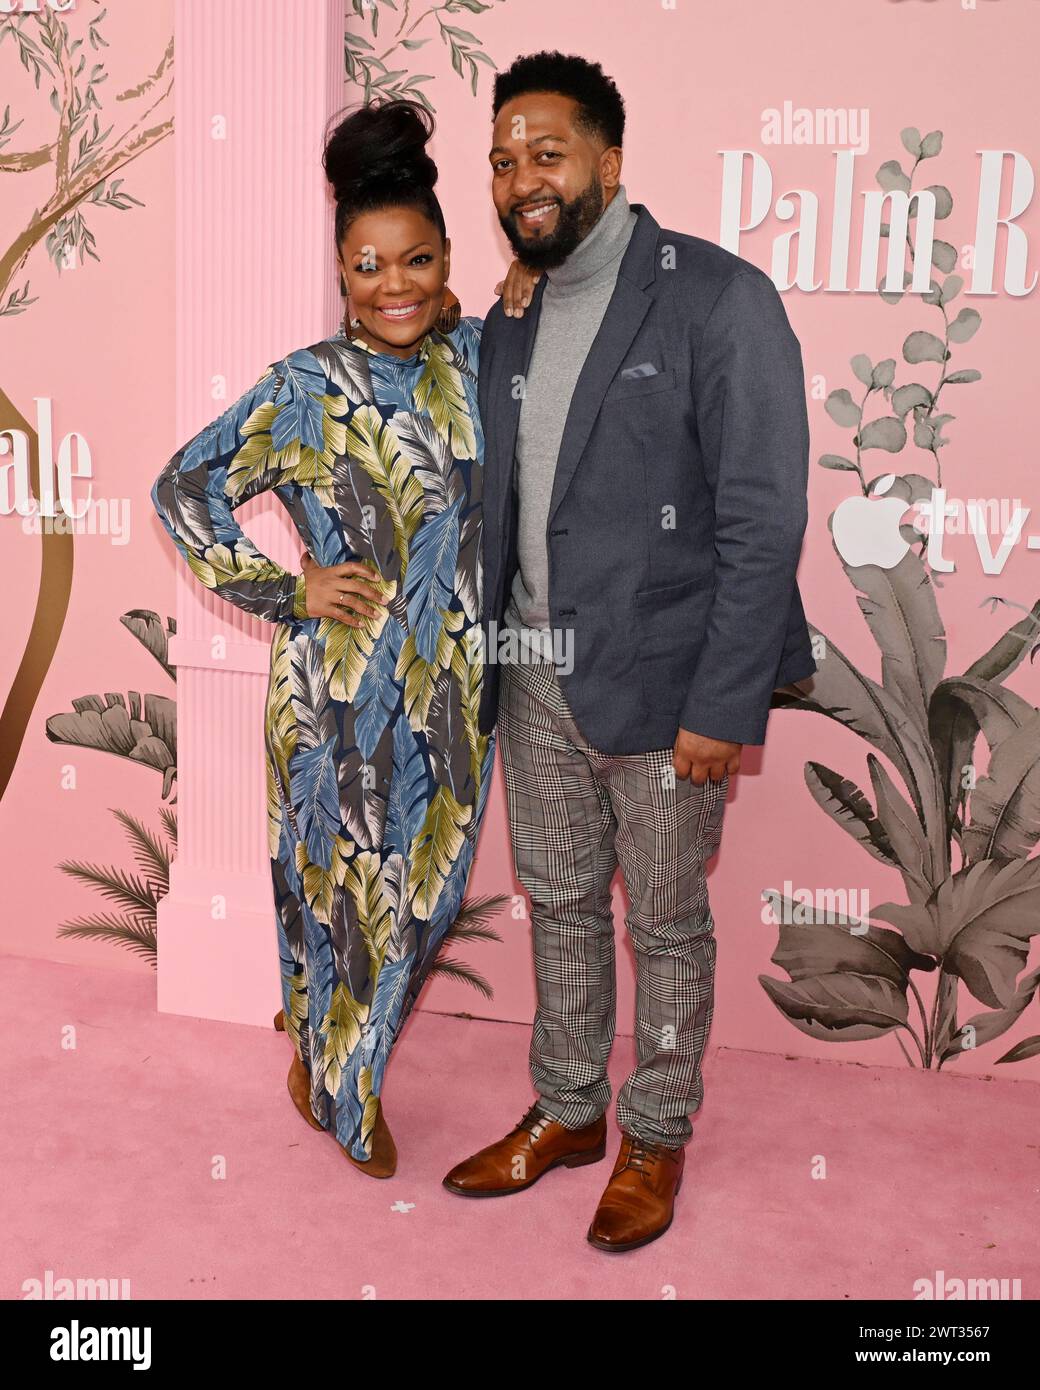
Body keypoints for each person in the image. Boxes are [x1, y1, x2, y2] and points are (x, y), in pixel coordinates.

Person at [442, 52, 816, 1251]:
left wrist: (722, 701)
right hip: (534, 675)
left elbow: (762, 515)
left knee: (661, 923)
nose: (520, 178)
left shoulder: (716, 296)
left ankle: (654, 1131)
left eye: (545, 153)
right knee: (555, 903)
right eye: (502, 159)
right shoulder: (512, 312)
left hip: (667, 685)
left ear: (609, 158)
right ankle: (567, 1111)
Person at [150, 99, 535, 1178]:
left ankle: (320, 1044)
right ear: (339, 269)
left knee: (430, 890)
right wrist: (286, 589)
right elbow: (184, 488)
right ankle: (348, 1084)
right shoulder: (306, 384)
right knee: (336, 884)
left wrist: (513, 295)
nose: (394, 284)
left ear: (448, 258)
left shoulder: (480, 355)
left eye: (416, 259)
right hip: (335, 689)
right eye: (369, 265)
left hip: (456, 686)